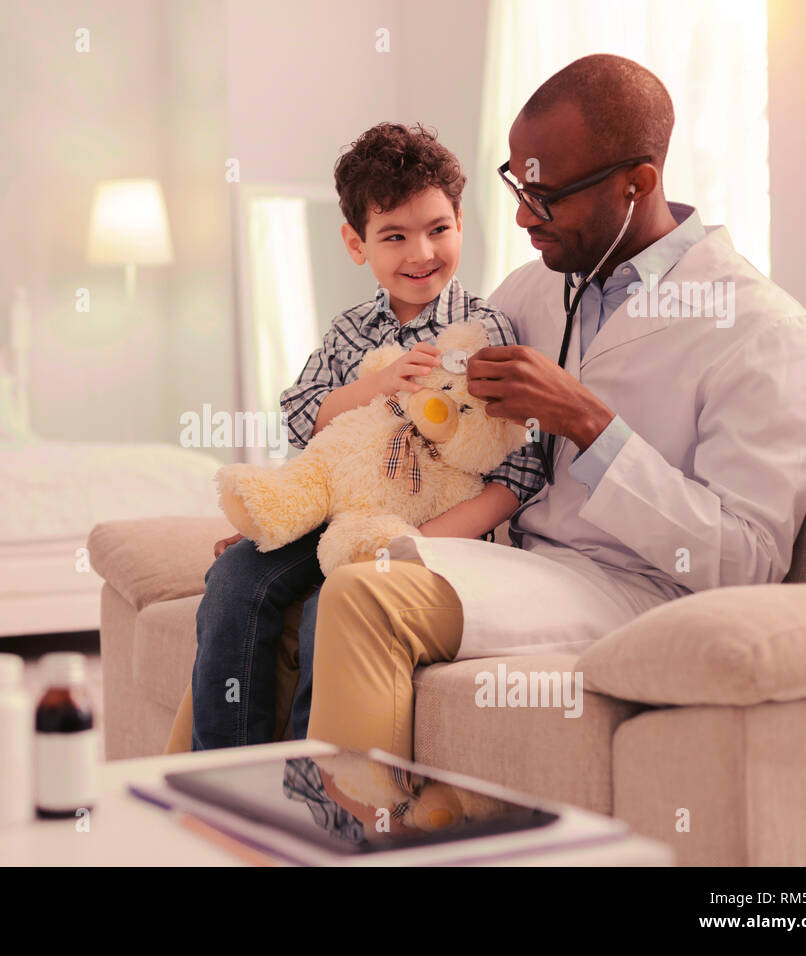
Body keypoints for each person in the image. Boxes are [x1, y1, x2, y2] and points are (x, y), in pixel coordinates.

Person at [303, 54, 806, 759]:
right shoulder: (533, 287)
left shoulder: (769, 332)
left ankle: (346, 837)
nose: (523, 216)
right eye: (518, 187)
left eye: (546, 196)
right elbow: (425, 424)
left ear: (636, 184)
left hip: (638, 590)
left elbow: (749, 562)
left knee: (368, 596)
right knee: (274, 592)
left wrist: (589, 422)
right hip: (516, 560)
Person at [167, 122, 546, 752]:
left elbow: (524, 466)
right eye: (394, 236)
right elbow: (301, 417)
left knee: (331, 610)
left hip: (428, 523)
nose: (420, 253)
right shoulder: (350, 332)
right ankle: (224, 763)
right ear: (356, 243)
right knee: (235, 577)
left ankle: (316, 775)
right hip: (340, 510)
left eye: (438, 229)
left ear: (460, 221)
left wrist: (418, 541)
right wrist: (377, 387)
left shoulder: (485, 329)